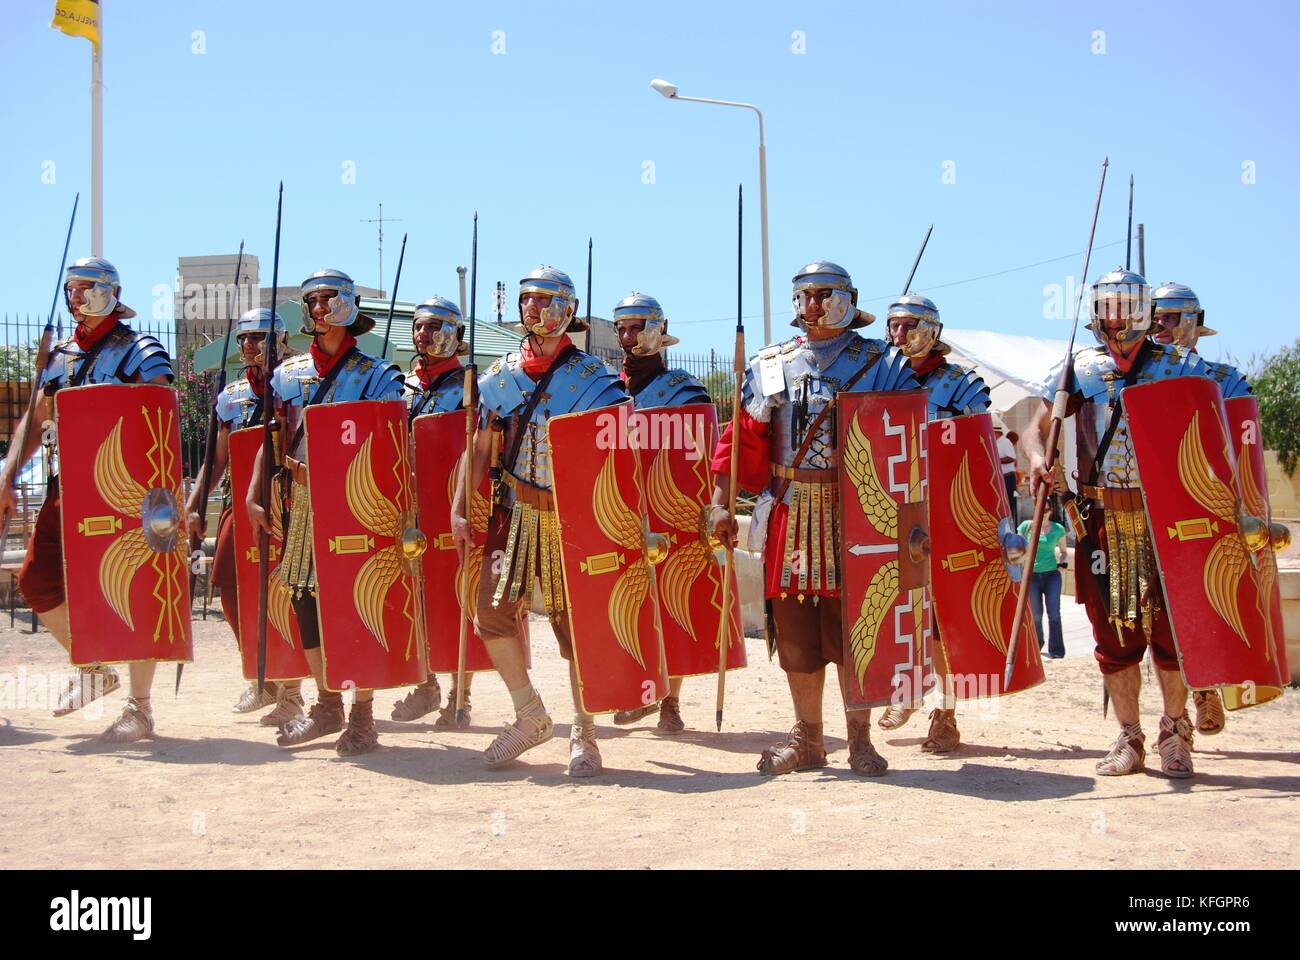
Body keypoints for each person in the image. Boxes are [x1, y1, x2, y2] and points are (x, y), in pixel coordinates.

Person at [709, 261, 920, 776]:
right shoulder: (771, 365)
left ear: (848, 298)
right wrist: (720, 501)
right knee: (797, 630)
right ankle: (807, 739)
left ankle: (859, 738)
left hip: (859, 515)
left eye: (824, 294)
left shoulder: (883, 364)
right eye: (804, 294)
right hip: (790, 512)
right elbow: (739, 441)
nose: (812, 304)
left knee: (853, 626)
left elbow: (911, 442)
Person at [1025, 266, 1210, 778]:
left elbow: (1221, 429)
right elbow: (1036, 431)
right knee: (1114, 635)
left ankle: (1175, 731)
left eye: (1127, 304)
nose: (1116, 315)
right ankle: (1130, 737)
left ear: (1145, 310)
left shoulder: (1180, 367)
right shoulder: (1079, 370)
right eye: (1108, 304)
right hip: (1101, 518)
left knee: (1171, 632)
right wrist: (1040, 458)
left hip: (1166, 519)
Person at [451, 266, 625, 776]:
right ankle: (529, 715)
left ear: (566, 310)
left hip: (573, 519)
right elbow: (480, 449)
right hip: (516, 511)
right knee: (491, 612)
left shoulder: (596, 381)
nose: (532, 307)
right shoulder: (499, 377)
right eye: (527, 298)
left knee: (579, 629)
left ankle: (585, 733)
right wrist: (462, 505)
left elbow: (615, 458)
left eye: (544, 299)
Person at [3, 257, 174, 741]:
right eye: (70, 289)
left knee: (138, 589)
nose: (75, 297)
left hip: (126, 492)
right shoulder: (59, 356)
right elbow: (36, 423)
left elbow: (159, 418)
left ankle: (140, 707)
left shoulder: (140, 350)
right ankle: (95, 666)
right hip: (67, 485)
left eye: (84, 288)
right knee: (36, 580)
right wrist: (8, 474)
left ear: (109, 292)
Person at [246, 268, 405, 756]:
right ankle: (328, 701)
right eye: (310, 300)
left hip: (357, 504)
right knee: (303, 599)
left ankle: (362, 714)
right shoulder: (287, 376)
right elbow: (270, 440)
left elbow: (395, 447)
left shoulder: (378, 377)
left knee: (356, 601)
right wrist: (255, 493)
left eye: (326, 299)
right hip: (301, 501)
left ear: (348, 305)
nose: (317, 308)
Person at [876, 293, 991, 751]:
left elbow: (978, 450)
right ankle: (904, 689)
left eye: (910, 326)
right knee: (897, 609)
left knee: (942, 619)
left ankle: (945, 712)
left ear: (933, 331)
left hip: (945, 513)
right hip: (888, 514)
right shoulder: (881, 379)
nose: (900, 335)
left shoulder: (962, 384)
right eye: (894, 326)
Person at [184, 308, 302, 724]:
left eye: (259, 338)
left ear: (280, 342)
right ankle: (262, 674)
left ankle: (292, 690)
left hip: (289, 502)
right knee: (231, 591)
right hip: (240, 501)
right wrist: (197, 504)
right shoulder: (231, 398)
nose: (250, 346)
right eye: (244, 339)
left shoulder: (297, 384)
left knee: (289, 593)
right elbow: (215, 461)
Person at [1150, 281, 1252, 738]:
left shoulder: (1225, 379)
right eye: (1155, 319)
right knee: (1157, 613)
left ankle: (1206, 688)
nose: (1161, 328)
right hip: (1151, 506)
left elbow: (1244, 447)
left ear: (1191, 322)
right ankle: (1182, 703)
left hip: (1209, 506)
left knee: (1206, 600)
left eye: (1170, 318)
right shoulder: (1135, 378)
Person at [607, 292, 711, 734]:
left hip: (670, 511)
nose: (630, 336)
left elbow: (700, 454)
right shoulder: (604, 388)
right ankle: (642, 688)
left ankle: (671, 700)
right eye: (623, 328)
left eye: (638, 327)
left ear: (658, 330)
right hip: (620, 510)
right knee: (629, 605)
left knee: (672, 602)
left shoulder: (686, 392)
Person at [391, 295, 475, 727]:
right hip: (409, 503)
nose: (424, 335)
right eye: (419, 327)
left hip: (454, 503)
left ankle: (460, 695)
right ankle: (426, 683)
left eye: (434, 327)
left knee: (456, 592)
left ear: (455, 335)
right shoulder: (401, 387)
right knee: (414, 594)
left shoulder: (468, 387)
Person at [1018, 500, 1068, 660]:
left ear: (1051, 511)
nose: (1044, 512)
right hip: (1031, 576)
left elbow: (1064, 551)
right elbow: (1017, 547)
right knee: (1036, 615)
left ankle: (1057, 650)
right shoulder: (1026, 526)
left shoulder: (1058, 529)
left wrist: (1063, 562)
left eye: (1046, 509)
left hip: (1051, 575)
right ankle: (1037, 644)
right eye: (1040, 509)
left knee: (1054, 613)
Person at [996, 424, 1018, 518]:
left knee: (1009, 502)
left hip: (1007, 477)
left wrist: (996, 460)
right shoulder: (997, 442)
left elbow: (1012, 457)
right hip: (1002, 477)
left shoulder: (1005, 442)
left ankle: (1010, 523)